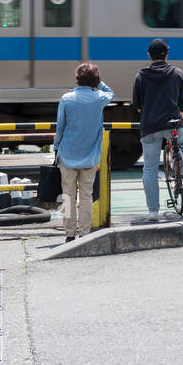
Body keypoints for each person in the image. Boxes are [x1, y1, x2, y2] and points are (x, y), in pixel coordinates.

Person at [132, 38, 183, 221]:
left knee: (150, 168)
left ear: (149, 56)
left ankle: (153, 212)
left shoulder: (140, 76)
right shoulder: (177, 73)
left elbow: (137, 106)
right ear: (167, 54)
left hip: (150, 127)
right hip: (173, 124)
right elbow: (181, 100)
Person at [54, 63, 114, 242]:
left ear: (77, 79)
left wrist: (56, 149)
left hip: (68, 153)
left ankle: (69, 235)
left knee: (68, 195)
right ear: (94, 80)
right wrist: (98, 82)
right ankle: (85, 234)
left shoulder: (66, 99)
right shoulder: (100, 98)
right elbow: (111, 93)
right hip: (90, 155)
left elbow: (60, 127)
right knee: (86, 195)